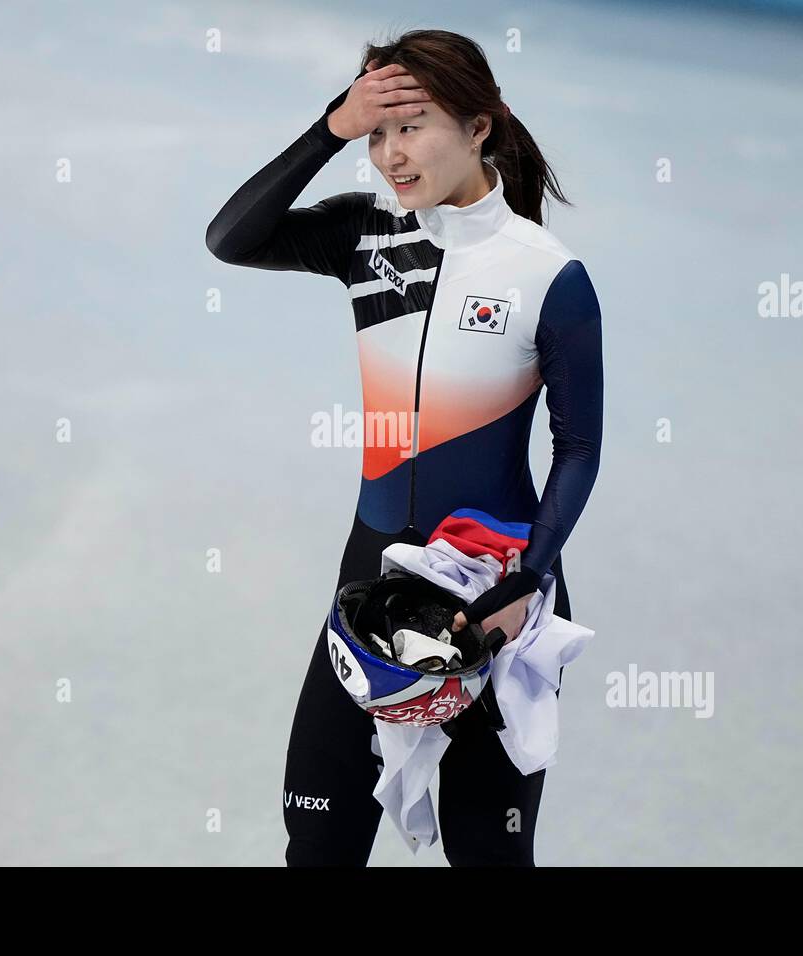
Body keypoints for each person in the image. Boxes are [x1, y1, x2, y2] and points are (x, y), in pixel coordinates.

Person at [205, 29, 603, 867]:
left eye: (410, 124)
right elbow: (230, 238)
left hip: (492, 591)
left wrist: (528, 579)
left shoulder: (546, 274)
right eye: (376, 131)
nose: (389, 152)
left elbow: (578, 449)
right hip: (370, 584)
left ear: (480, 127)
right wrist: (329, 129)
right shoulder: (365, 236)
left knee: (487, 854)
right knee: (316, 841)